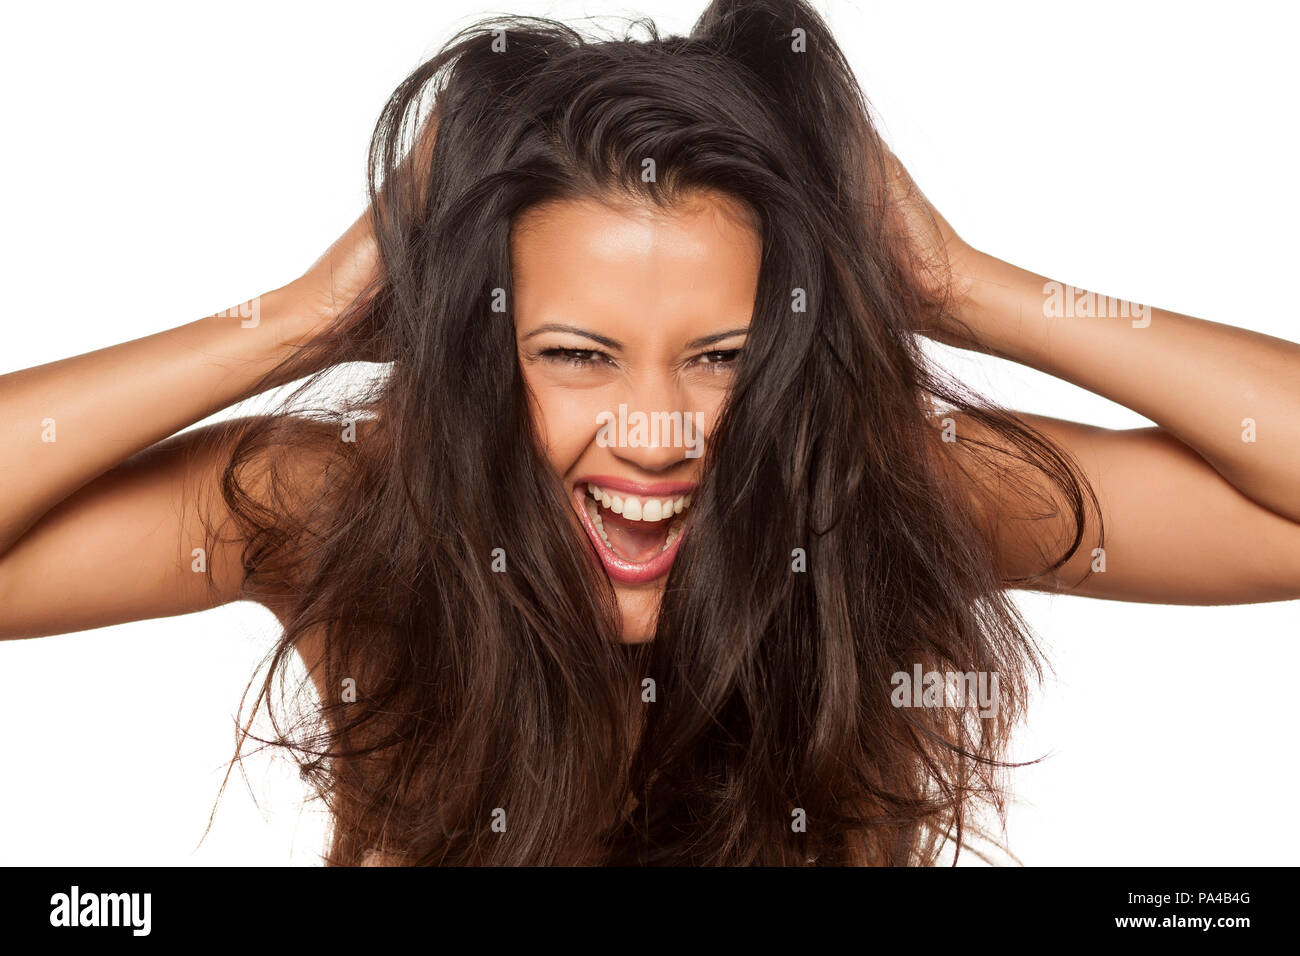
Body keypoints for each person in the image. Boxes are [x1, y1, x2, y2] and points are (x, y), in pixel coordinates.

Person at [1, 0, 1297, 865]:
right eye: (575, 356)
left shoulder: (883, 496)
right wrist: (300, 314)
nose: (656, 430)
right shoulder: (346, 506)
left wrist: (961, 284)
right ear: (477, 353)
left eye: (723, 359)